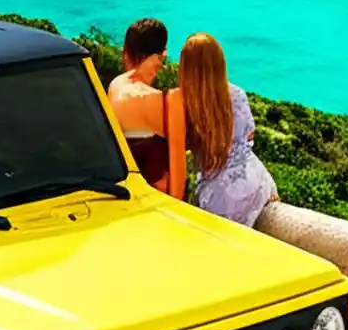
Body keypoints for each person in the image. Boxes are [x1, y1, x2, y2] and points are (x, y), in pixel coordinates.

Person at [173, 32, 279, 226]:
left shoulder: (181, 102)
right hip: (255, 184)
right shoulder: (238, 94)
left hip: (218, 198)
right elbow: (249, 135)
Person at [107, 18, 185, 197]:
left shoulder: (115, 85)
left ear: (126, 51)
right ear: (162, 55)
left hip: (121, 196)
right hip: (153, 201)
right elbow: (177, 176)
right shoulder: (163, 102)